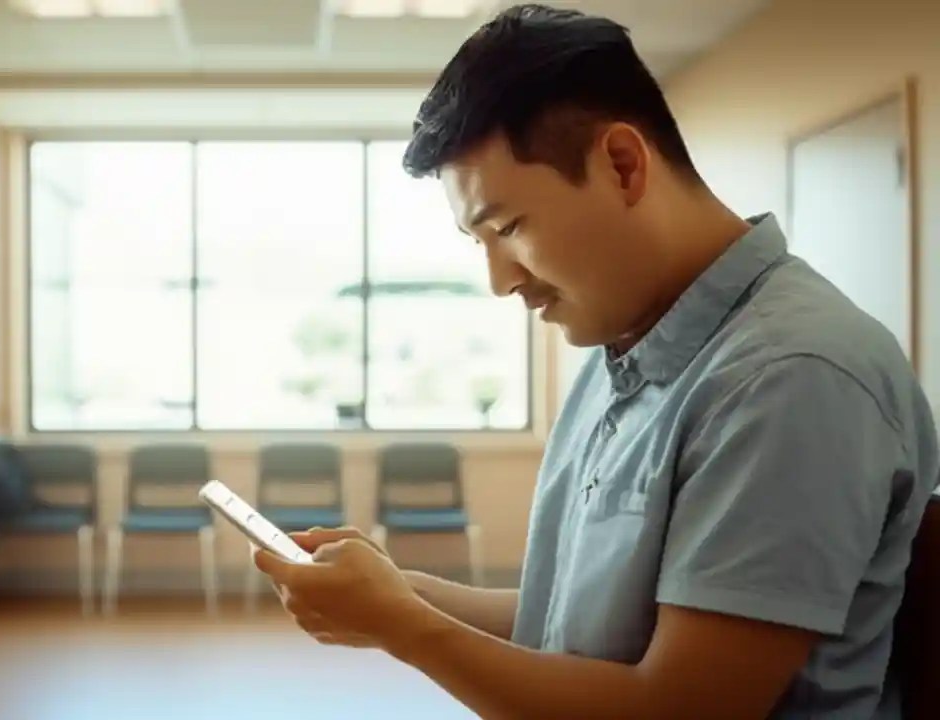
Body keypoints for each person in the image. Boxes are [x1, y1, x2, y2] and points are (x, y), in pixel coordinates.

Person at [253, 4, 939, 719]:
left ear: (621, 164)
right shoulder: (627, 353)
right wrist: (398, 593)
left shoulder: (792, 377)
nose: (500, 279)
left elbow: (675, 708)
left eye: (509, 227)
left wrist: (403, 625)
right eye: (478, 241)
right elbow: (575, 624)